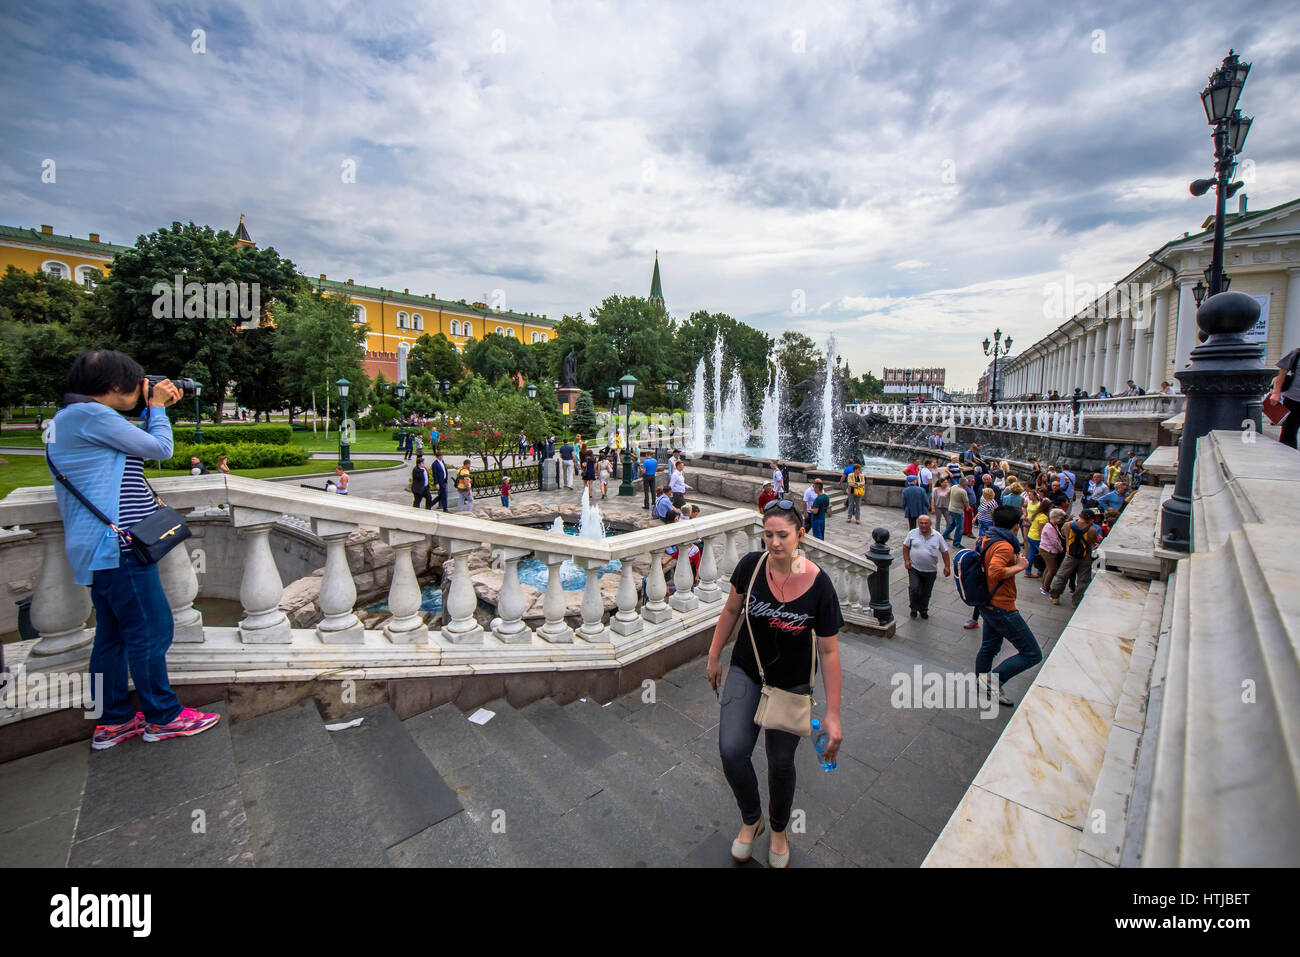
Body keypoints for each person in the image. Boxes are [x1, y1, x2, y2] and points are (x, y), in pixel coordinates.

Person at [46, 349, 219, 749]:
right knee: (151, 631)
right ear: (111, 387)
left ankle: (113, 721)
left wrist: (151, 410)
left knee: (112, 638)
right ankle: (163, 716)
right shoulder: (91, 416)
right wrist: (157, 408)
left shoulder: (73, 419)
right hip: (119, 548)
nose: (138, 389)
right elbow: (159, 449)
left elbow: (130, 448)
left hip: (98, 549)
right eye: (133, 382)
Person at [706, 497, 843, 868]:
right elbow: (732, 610)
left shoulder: (820, 585)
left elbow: (829, 653)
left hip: (792, 685)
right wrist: (715, 653)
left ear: (801, 534)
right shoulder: (751, 566)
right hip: (747, 670)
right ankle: (753, 819)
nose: (775, 542)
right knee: (732, 751)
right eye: (768, 535)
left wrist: (833, 714)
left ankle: (780, 829)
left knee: (780, 762)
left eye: (782, 535)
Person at [974, 505, 1042, 708]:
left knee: (990, 646)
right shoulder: (1004, 545)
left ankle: (982, 682)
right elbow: (995, 572)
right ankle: (991, 681)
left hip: (988, 601)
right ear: (1015, 526)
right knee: (1032, 653)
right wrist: (1019, 566)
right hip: (1002, 605)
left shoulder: (988, 536)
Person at [903, 513, 950, 619]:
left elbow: (945, 551)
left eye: (926, 523)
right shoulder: (912, 533)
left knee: (926, 592)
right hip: (914, 568)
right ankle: (914, 608)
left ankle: (923, 609)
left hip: (930, 570)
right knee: (914, 588)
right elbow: (905, 546)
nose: (923, 525)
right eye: (921, 523)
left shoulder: (937, 536)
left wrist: (947, 566)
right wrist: (906, 560)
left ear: (930, 524)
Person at [1049, 509, 1101, 606]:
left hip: (1070, 555)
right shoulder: (1092, 530)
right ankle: (1076, 602)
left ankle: (1055, 596)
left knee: (1061, 576)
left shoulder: (1068, 525)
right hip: (1085, 557)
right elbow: (1093, 541)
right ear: (1090, 520)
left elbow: (1063, 534)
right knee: (1083, 579)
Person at [1268, 344, 1300, 450]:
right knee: (1288, 432)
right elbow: (1281, 374)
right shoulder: (1296, 353)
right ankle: (1287, 457)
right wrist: (1276, 392)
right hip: (1293, 400)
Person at [1025, 496, 1050, 578]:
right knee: (1043, 556)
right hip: (1037, 538)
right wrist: (1044, 540)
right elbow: (1040, 530)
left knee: (1031, 555)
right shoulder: (1044, 517)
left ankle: (1027, 571)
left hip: (1031, 535)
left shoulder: (1037, 514)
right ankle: (1040, 571)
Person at [945, 474, 967, 547]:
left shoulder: (953, 487)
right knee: (959, 527)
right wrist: (967, 507)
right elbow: (966, 502)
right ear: (964, 484)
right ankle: (956, 543)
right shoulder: (963, 491)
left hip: (951, 508)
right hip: (958, 511)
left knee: (952, 524)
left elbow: (947, 495)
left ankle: (943, 537)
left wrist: (952, 501)